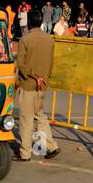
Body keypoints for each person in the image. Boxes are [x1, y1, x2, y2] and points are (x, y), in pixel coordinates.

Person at [15, 13, 60, 162]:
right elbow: (51, 63)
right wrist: (43, 78)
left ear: (29, 23)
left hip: (28, 84)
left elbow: (21, 64)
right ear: (41, 22)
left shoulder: (25, 39)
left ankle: (25, 153)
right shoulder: (49, 40)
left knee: (26, 119)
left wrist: (34, 76)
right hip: (42, 86)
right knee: (40, 116)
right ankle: (52, 146)